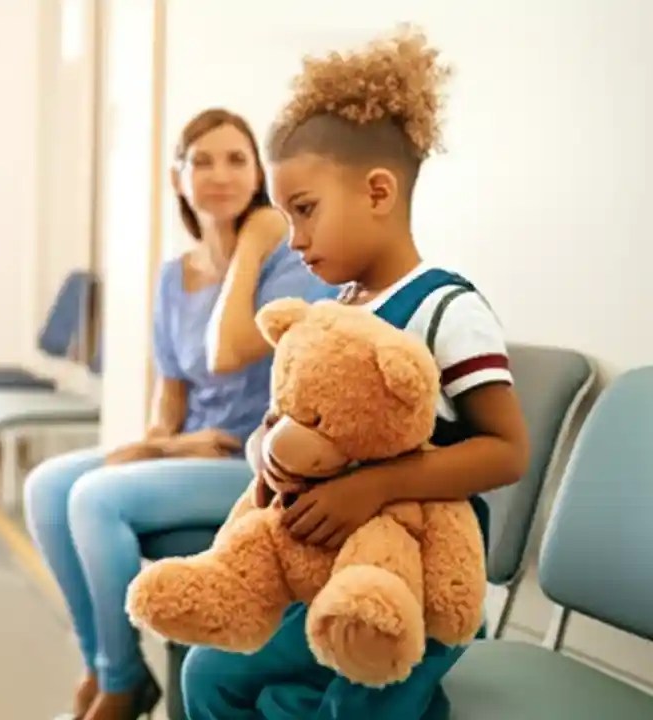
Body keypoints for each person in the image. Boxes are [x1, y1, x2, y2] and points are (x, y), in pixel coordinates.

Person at [180, 26, 530, 720]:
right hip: (326, 572)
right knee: (210, 675)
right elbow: (284, 425)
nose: (294, 236)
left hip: (414, 588)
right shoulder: (332, 312)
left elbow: (508, 451)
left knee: (343, 705)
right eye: (284, 217)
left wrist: (374, 488)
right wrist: (267, 454)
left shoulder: (446, 309)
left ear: (377, 192)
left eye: (304, 211)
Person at [23, 108, 333, 720]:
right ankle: (106, 666)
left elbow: (230, 351)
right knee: (48, 486)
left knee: (96, 498)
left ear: (260, 177)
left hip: (256, 459)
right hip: (194, 449)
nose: (220, 174)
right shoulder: (174, 277)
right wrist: (161, 442)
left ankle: (119, 688)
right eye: (202, 160)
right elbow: (173, 392)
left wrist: (249, 246)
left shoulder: (289, 265)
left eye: (237, 159)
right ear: (178, 178)